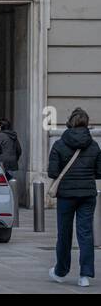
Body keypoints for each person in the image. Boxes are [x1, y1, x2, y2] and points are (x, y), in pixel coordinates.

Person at [47, 108, 101, 288]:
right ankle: (85, 275)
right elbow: (99, 173)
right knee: (85, 234)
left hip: (66, 195)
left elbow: (53, 172)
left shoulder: (60, 144)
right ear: (86, 123)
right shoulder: (93, 145)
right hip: (87, 194)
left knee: (64, 233)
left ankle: (61, 271)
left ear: (69, 122)